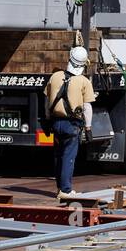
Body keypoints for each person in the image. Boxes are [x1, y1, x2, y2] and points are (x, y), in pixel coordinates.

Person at [44, 45, 96, 202]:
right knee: (69, 157)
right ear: (83, 64)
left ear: (69, 59)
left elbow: (47, 101)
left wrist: (47, 119)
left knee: (58, 156)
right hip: (72, 125)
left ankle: (60, 187)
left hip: (56, 122)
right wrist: (88, 128)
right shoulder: (84, 81)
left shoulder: (55, 76)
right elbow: (87, 107)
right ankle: (66, 190)